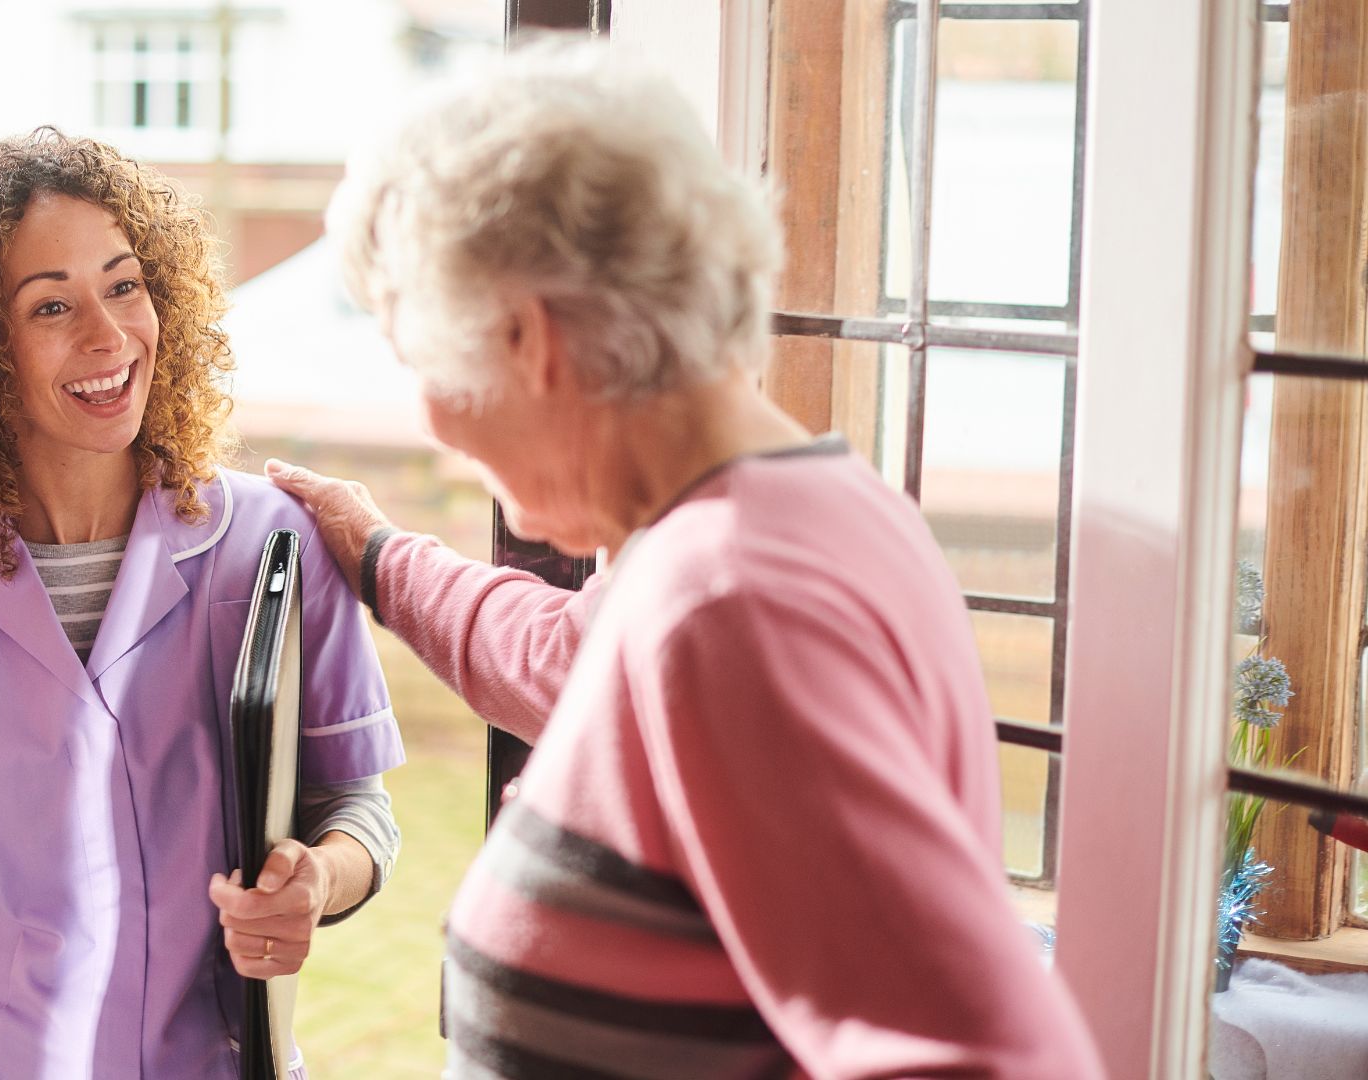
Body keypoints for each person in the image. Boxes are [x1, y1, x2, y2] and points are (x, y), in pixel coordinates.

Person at [266, 45, 1105, 1079]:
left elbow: (982, 1057)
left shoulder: (730, 602)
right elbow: (573, 661)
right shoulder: (801, 515)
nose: (434, 422)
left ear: (528, 339)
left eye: (421, 364)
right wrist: (379, 554)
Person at [0, 130, 404, 1080]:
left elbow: (355, 804)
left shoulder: (274, 545)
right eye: (52, 306)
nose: (109, 337)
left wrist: (318, 881)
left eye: (125, 285)